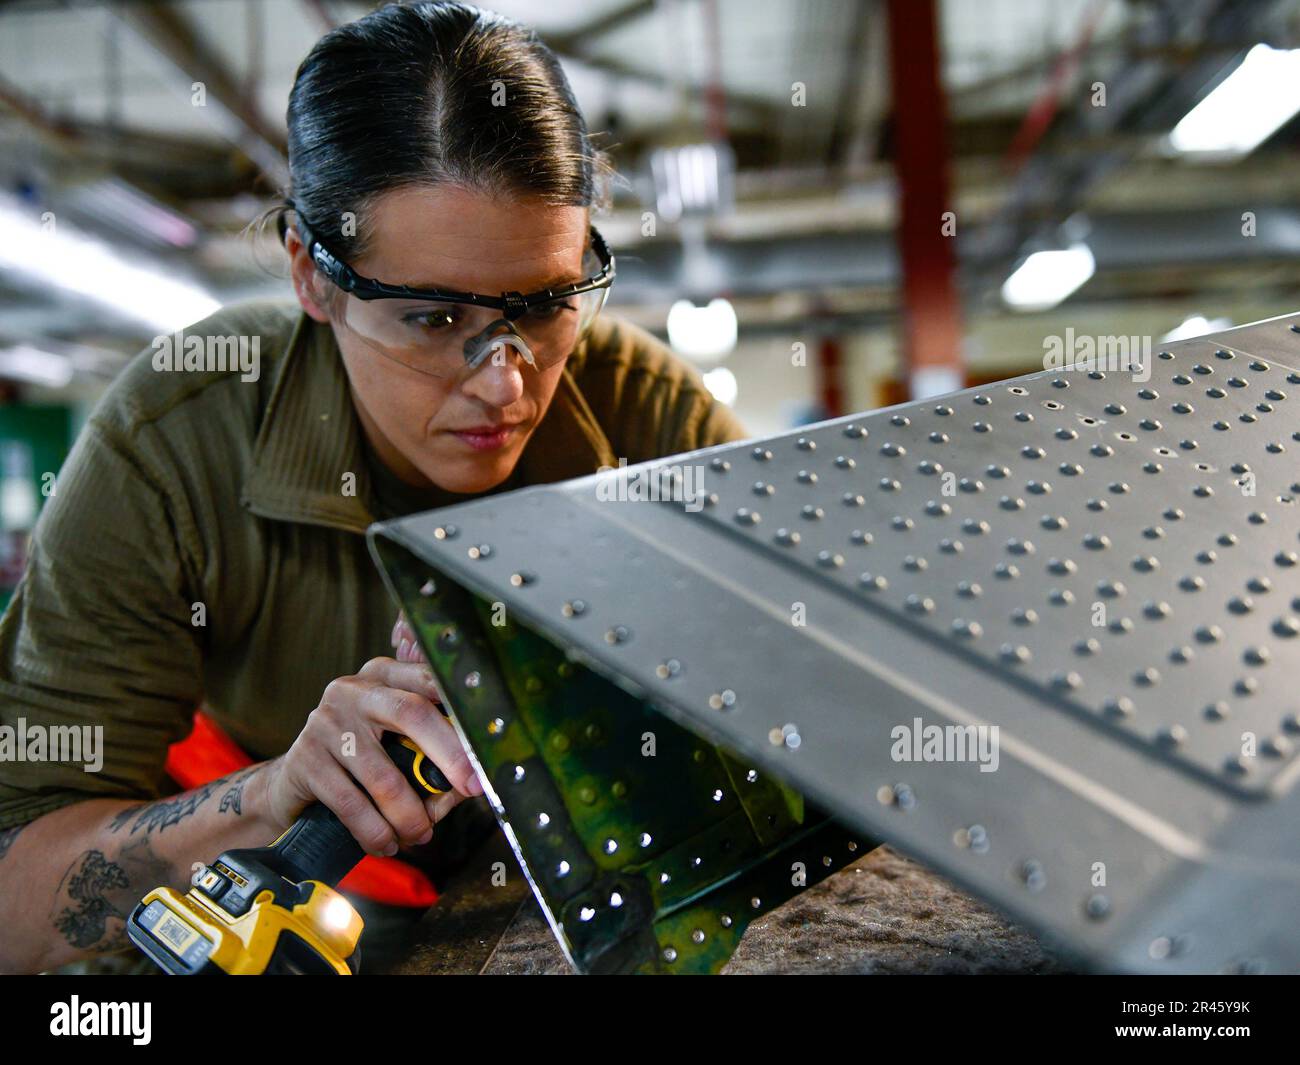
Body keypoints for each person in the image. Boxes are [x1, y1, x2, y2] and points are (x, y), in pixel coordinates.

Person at [0, 0, 748, 973]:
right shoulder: (174, 444)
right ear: (313, 276)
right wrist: (276, 795)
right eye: (435, 319)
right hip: (306, 910)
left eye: (547, 305)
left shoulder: (652, 425)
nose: (506, 380)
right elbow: (14, 896)